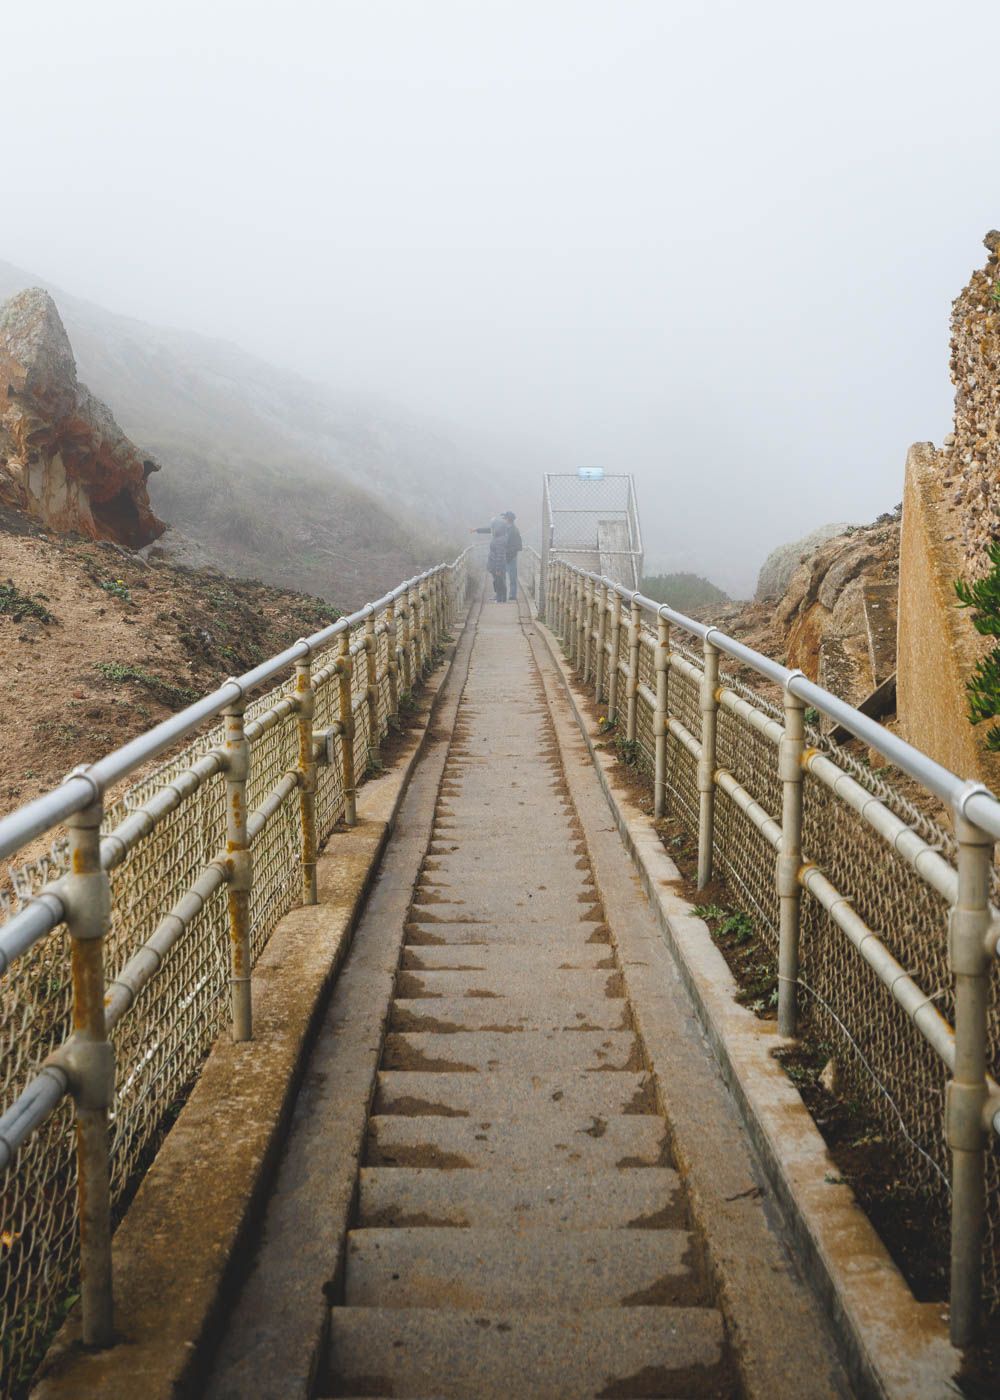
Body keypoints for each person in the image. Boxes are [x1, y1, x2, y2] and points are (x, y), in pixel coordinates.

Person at [470, 516, 509, 601]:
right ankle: (500, 597)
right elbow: (488, 529)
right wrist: (477, 530)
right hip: (495, 564)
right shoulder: (500, 535)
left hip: (497, 565)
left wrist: (498, 569)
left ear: (497, 527)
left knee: (499, 582)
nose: (492, 528)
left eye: (493, 526)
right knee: (498, 581)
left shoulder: (499, 540)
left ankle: (501, 599)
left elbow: (500, 555)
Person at [502, 511, 522, 601]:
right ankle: (503, 594)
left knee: (512, 577)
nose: (504, 520)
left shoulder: (514, 531)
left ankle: (512, 596)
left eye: (505, 518)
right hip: (504, 556)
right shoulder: (504, 528)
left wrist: (507, 551)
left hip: (511, 557)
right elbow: (491, 529)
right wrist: (477, 530)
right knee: (502, 577)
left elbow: (518, 546)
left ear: (508, 520)